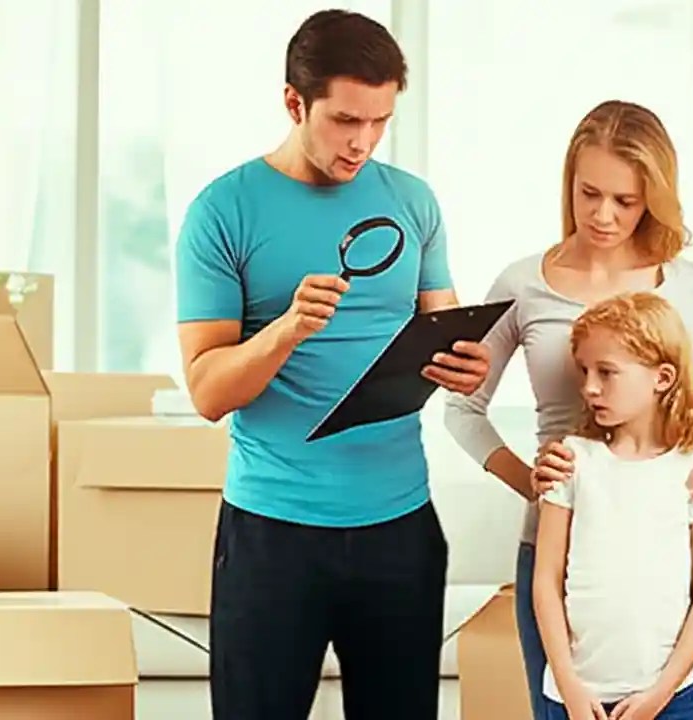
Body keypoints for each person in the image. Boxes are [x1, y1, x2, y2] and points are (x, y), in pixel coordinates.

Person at [173, 10, 490, 720]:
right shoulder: (222, 212)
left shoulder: (413, 202)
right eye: (346, 120)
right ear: (295, 102)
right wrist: (283, 332)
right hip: (272, 532)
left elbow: (445, 324)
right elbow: (205, 391)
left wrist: (468, 365)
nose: (363, 141)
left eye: (380, 121)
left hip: (400, 527)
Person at [443, 99, 693, 719]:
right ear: (569, 183)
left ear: (653, 198)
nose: (603, 215)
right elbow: (462, 410)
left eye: (626, 201)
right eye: (589, 193)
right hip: (559, 547)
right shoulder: (522, 285)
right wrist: (533, 484)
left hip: (667, 554)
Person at [533, 292, 693, 720]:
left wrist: (661, 692)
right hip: (573, 694)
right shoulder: (572, 460)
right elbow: (545, 582)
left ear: (662, 378)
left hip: (668, 696)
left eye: (607, 372)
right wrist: (569, 689)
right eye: (584, 371)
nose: (589, 387)